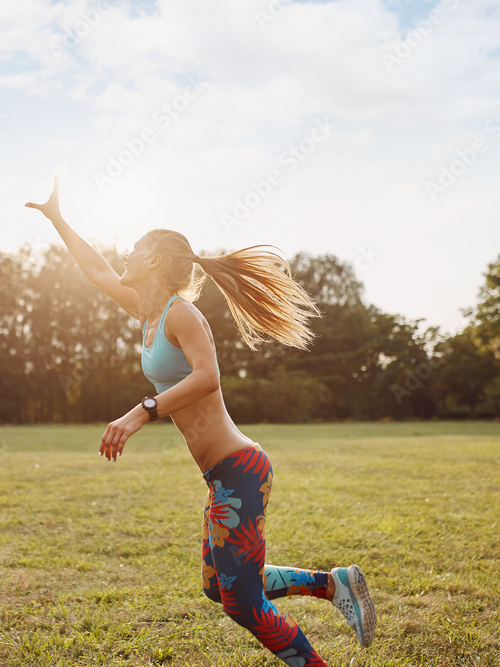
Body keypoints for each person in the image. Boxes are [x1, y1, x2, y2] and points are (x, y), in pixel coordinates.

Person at [26, 176, 376, 666]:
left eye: (134, 248)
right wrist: (59, 220)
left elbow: (209, 377)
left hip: (241, 470)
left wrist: (142, 410)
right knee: (219, 587)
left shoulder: (181, 314)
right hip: (221, 476)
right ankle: (331, 583)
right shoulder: (150, 316)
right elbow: (98, 272)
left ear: (153, 260)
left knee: (243, 602)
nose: (124, 255)